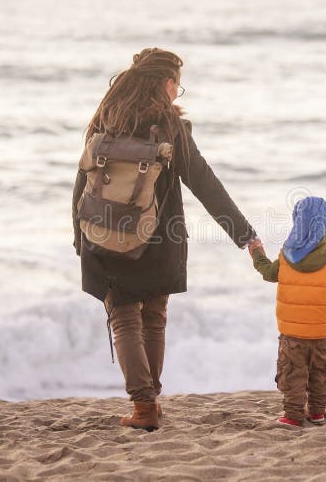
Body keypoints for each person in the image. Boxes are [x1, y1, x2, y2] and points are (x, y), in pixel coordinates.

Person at [72, 48, 256, 431]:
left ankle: (144, 406)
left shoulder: (104, 119)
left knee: (123, 319)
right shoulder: (170, 127)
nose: (177, 92)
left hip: (102, 232)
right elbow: (204, 183)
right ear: (165, 82)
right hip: (158, 238)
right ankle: (148, 404)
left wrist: (79, 237)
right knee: (153, 318)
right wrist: (245, 235)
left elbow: (81, 184)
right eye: (178, 85)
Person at [248, 196, 326, 427]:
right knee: (320, 373)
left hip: (292, 332)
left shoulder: (286, 255)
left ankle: (293, 415)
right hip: (324, 333)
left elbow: (268, 273)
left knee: (292, 373)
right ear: (324, 223)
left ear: (297, 220)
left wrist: (257, 254)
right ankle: (317, 413)